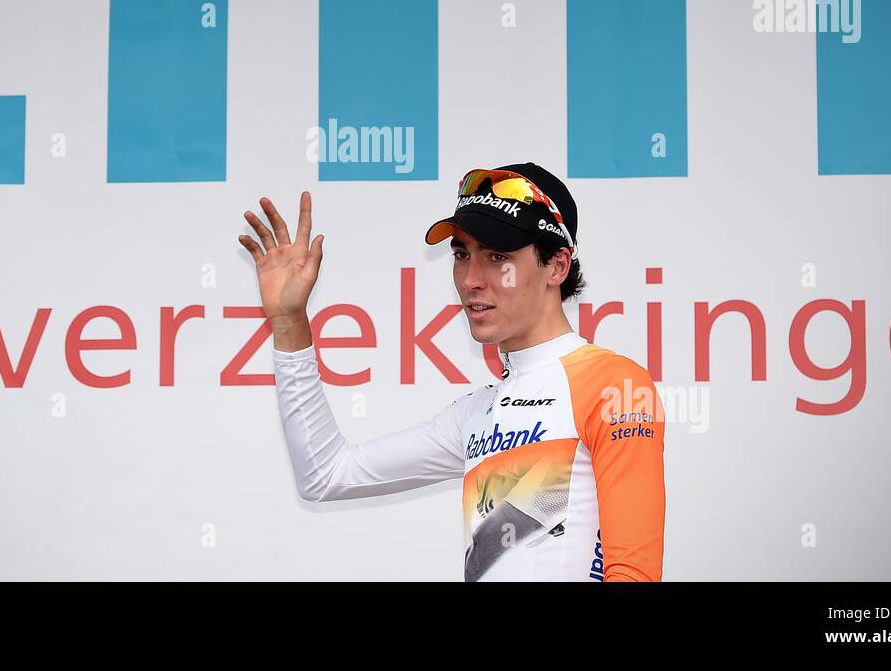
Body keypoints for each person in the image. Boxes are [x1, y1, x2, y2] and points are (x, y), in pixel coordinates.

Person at [238, 162, 666, 582]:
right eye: (462, 255)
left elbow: (633, 573)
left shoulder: (616, 386)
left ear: (557, 265)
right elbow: (325, 476)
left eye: (498, 256)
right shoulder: (476, 412)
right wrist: (288, 322)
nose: (471, 279)